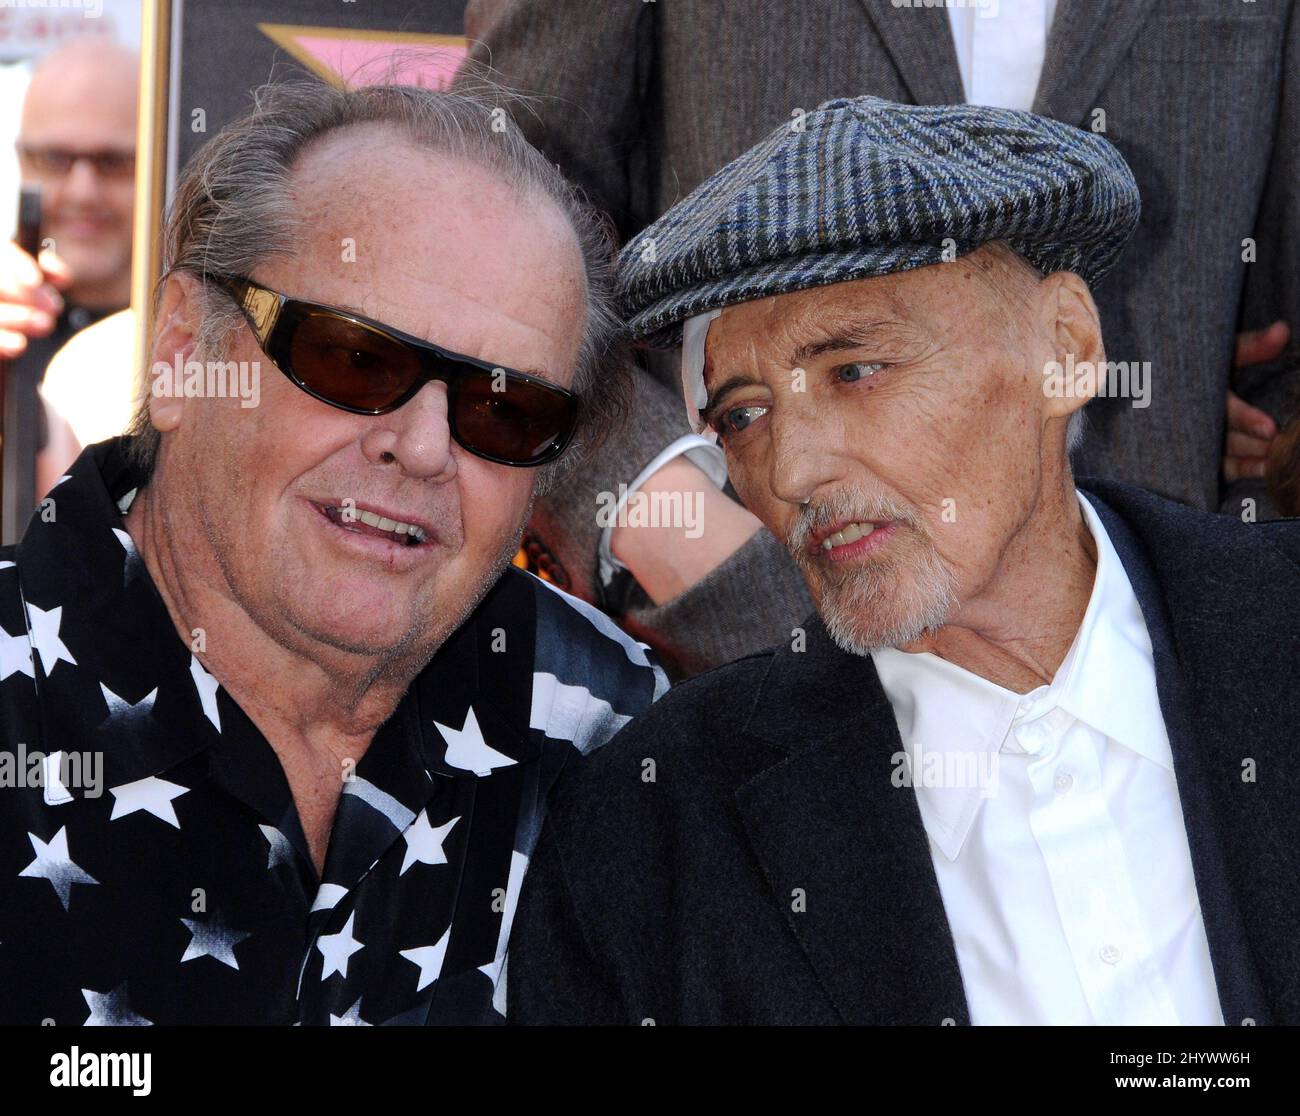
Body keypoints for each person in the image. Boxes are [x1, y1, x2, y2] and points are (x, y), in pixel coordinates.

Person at [507, 97, 1300, 1026]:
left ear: (1066, 349)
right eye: (742, 417)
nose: (791, 472)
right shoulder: (651, 842)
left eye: (856, 372)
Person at [0, 80, 666, 1026]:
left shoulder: (609, 729)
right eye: (358, 358)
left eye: (503, 409)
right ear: (184, 352)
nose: (425, 446)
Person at [463, 0, 1300, 677]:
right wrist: (664, 515)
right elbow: (481, 216)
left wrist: (1250, 510)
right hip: (777, 627)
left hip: (1171, 649)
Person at [1, 39, 140, 496]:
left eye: (113, 162)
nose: (83, 192)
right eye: (56, 160)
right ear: (21, 162)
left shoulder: (205, 341)